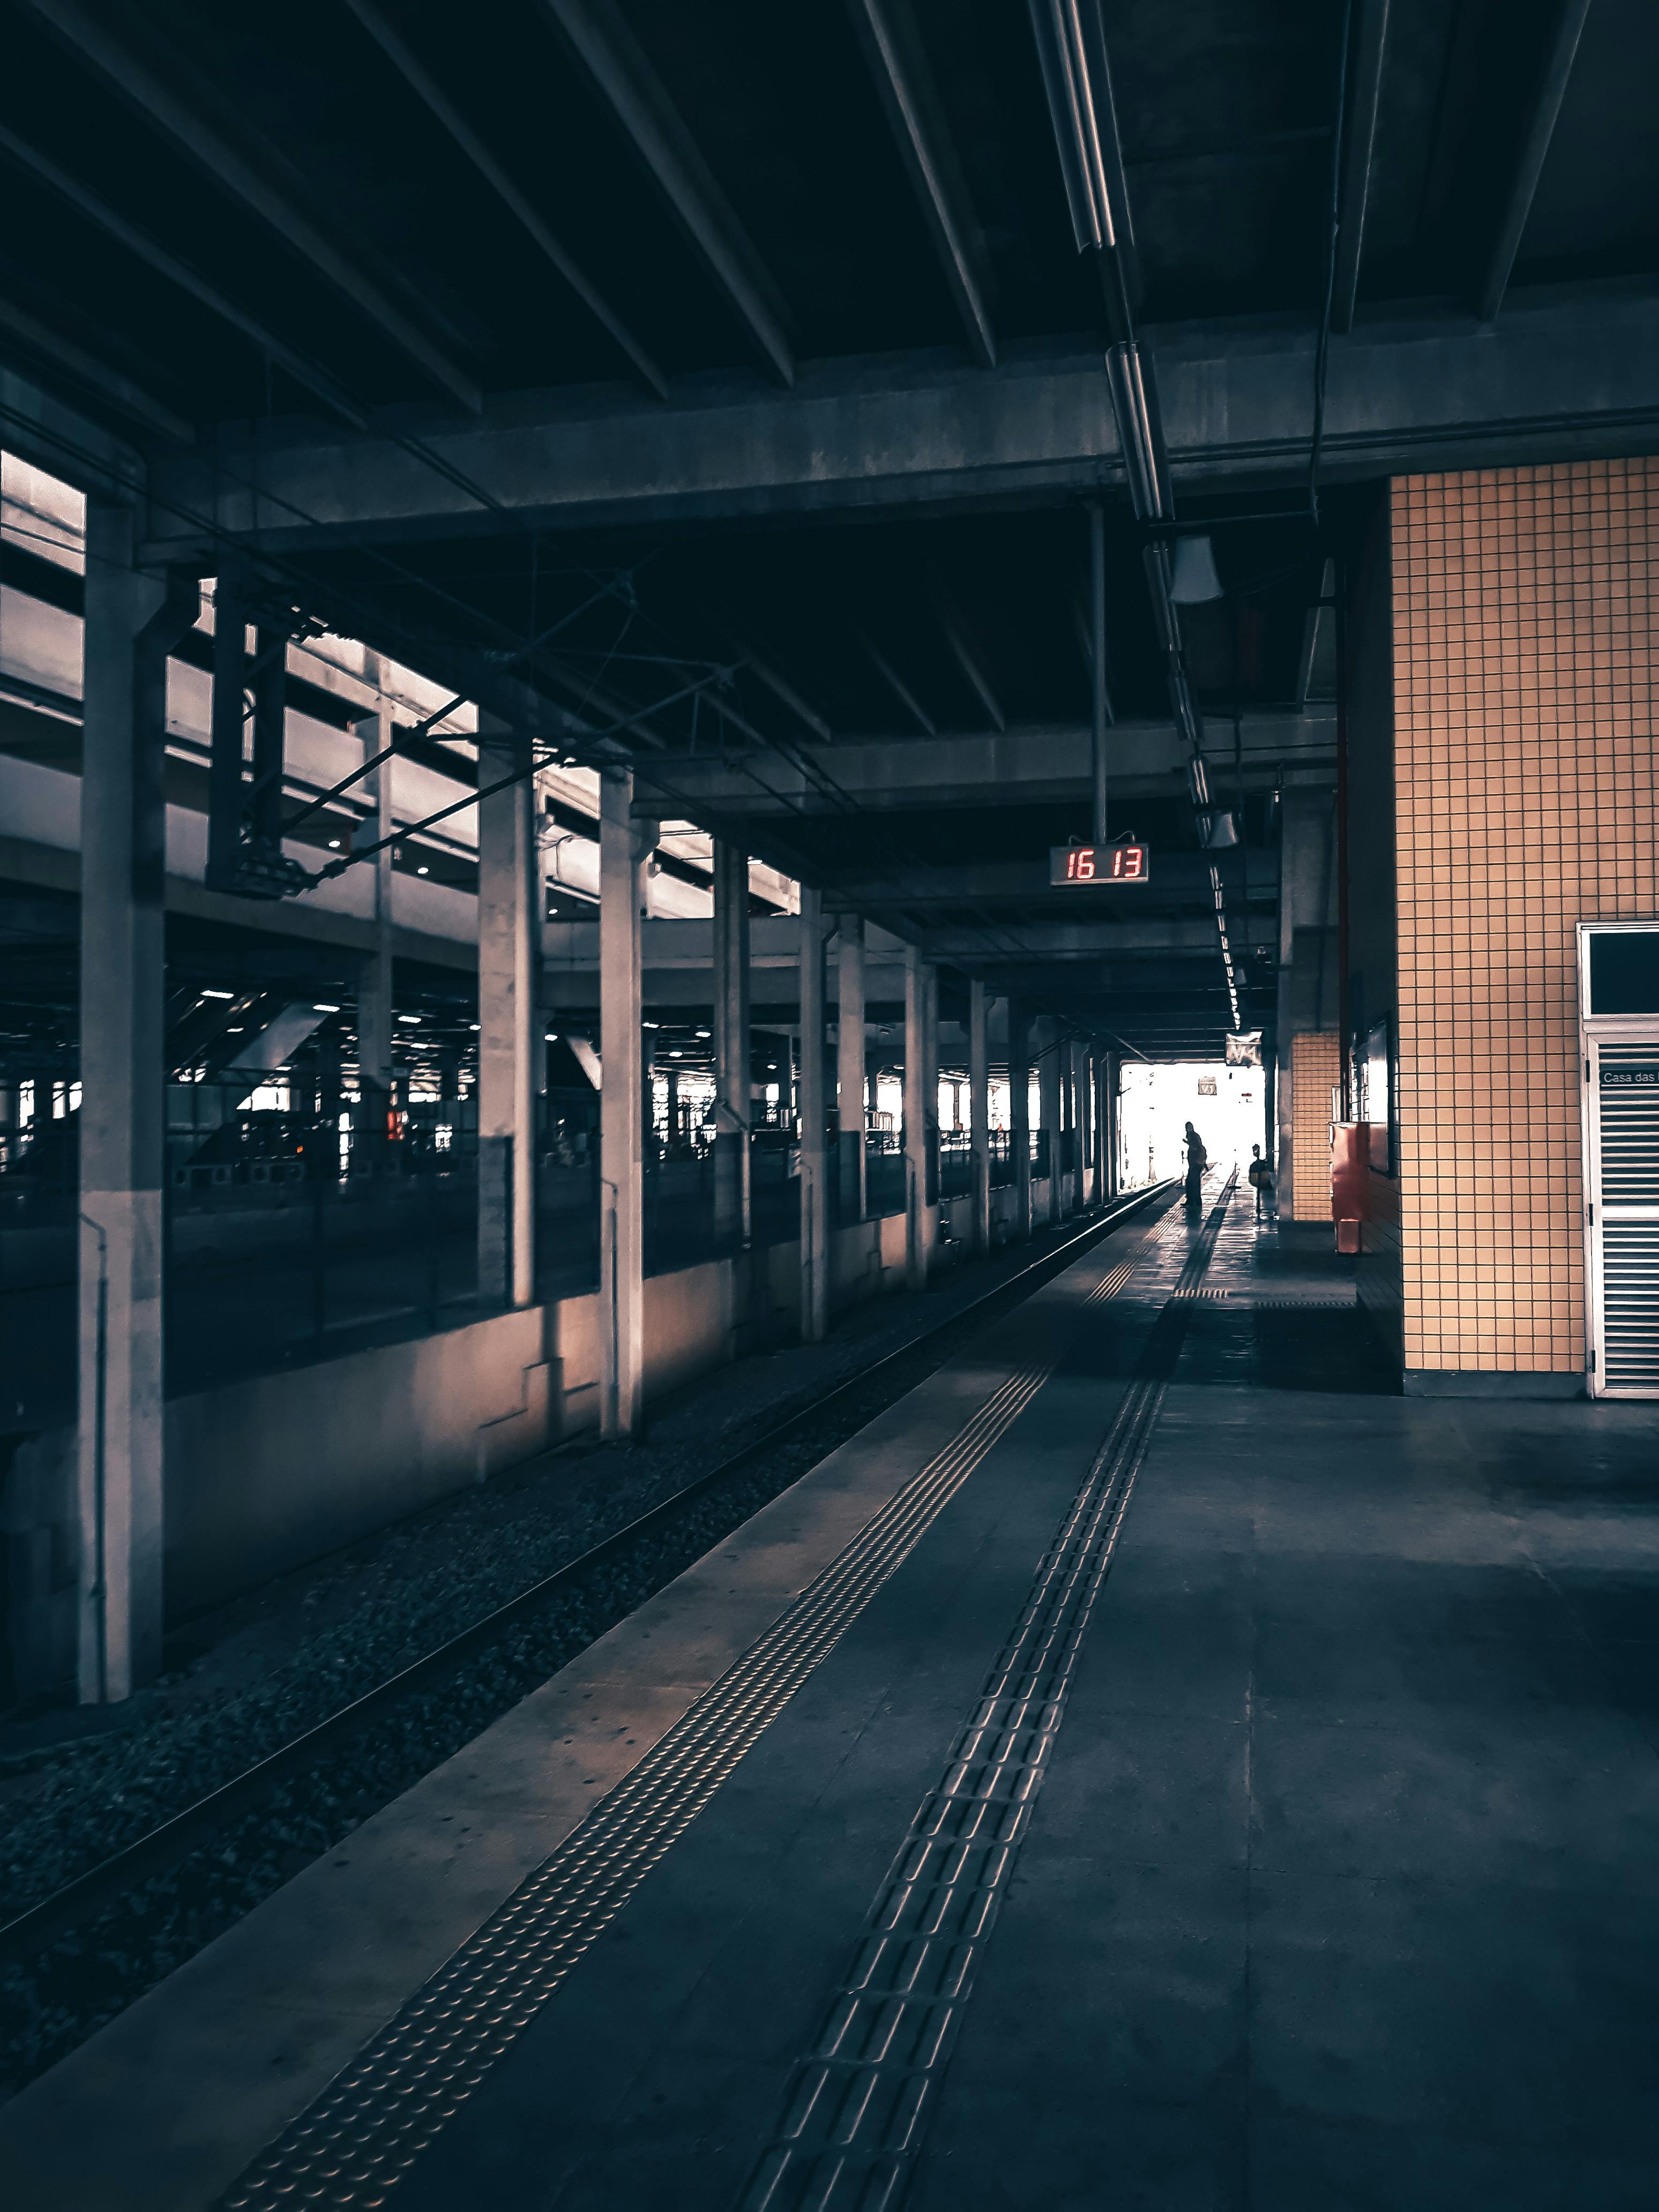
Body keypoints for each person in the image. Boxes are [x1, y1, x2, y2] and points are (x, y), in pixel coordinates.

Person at [1247, 1141, 1277, 1221]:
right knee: (1267, 1197)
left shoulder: (1256, 1165)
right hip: (1263, 1183)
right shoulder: (1260, 1164)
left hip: (1263, 1183)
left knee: (1265, 1197)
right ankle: (1265, 1210)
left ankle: (1261, 1210)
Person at [1183, 1120, 1207, 1210]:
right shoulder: (1195, 1136)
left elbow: (1195, 1147)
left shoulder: (1192, 1136)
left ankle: (1194, 1202)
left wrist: (1189, 1144)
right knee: (1193, 1182)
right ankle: (1195, 1201)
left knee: (1191, 1182)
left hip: (1196, 1164)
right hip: (1197, 1164)